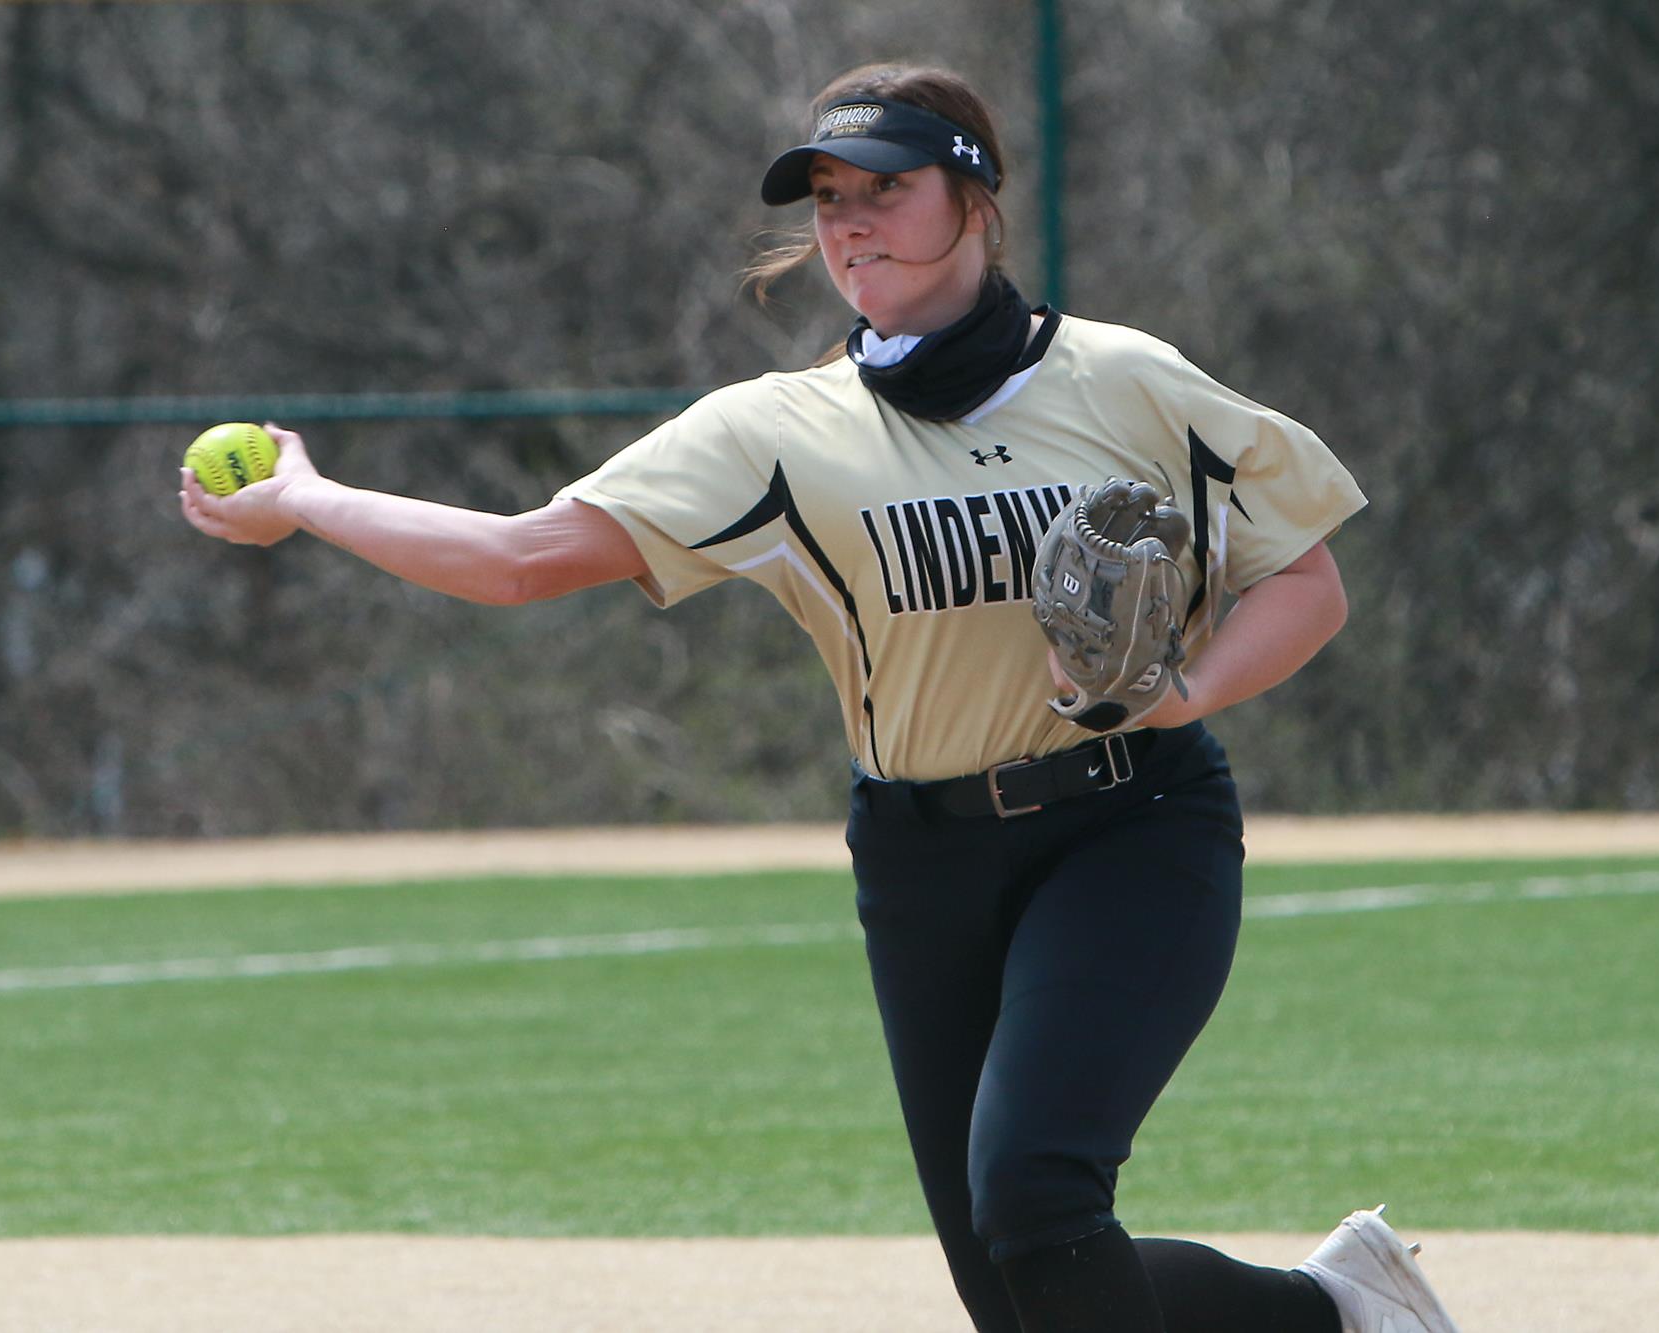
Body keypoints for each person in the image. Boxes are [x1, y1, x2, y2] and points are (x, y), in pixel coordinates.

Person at [179, 60, 1462, 1333]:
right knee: (1008, 1282)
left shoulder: (1126, 383)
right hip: (922, 860)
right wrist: (303, 498)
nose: (847, 223)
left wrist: (1185, 692)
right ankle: (1334, 1312)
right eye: (828, 197)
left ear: (973, 201)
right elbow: (519, 560)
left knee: (1033, 1193)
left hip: (1131, 824)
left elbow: (1303, 576)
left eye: (884, 190)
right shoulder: (777, 431)